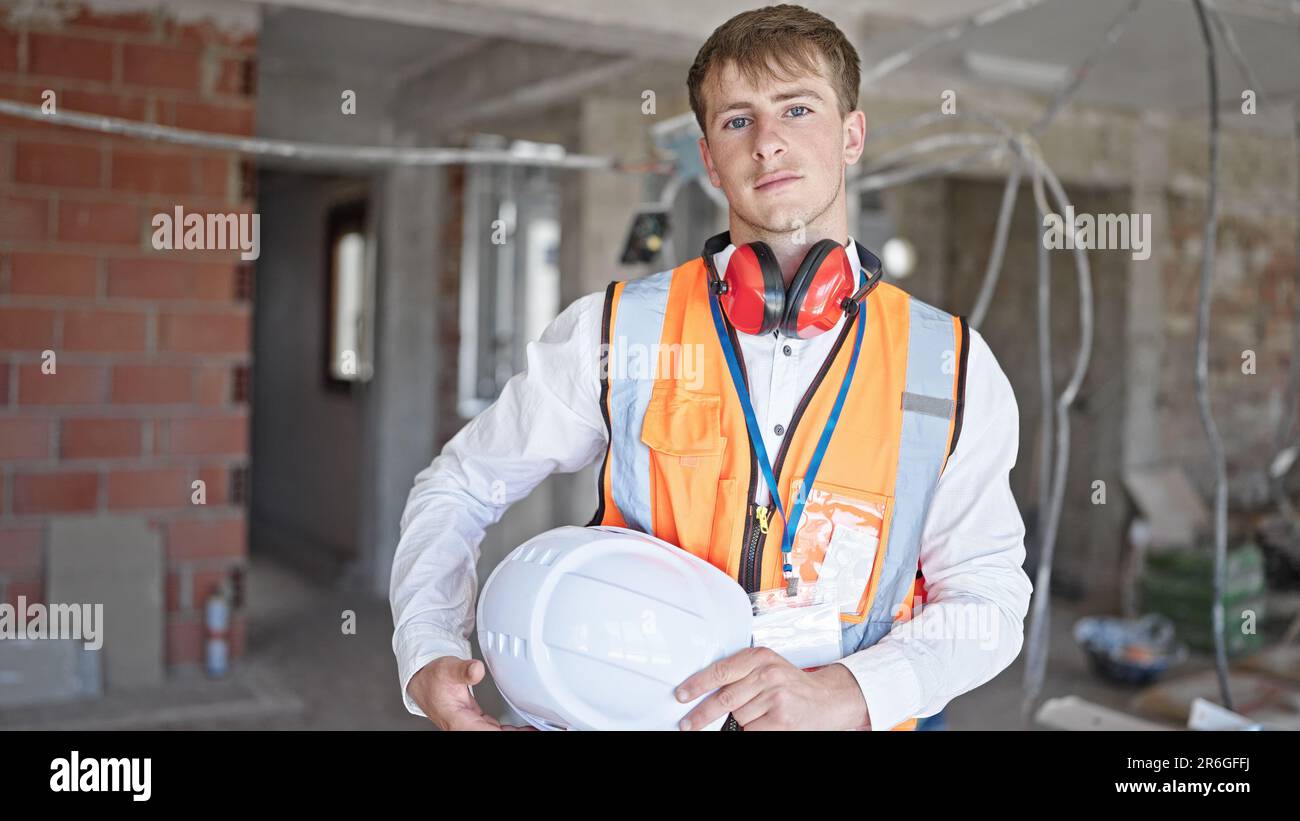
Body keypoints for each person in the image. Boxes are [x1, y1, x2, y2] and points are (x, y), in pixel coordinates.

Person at [390, 3, 1032, 731]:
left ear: (852, 135)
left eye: (797, 109)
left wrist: (851, 691)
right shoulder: (617, 329)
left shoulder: (949, 363)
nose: (768, 143)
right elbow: (460, 484)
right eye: (737, 121)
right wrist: (426, 646)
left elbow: (988, 599)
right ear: (708, 158)